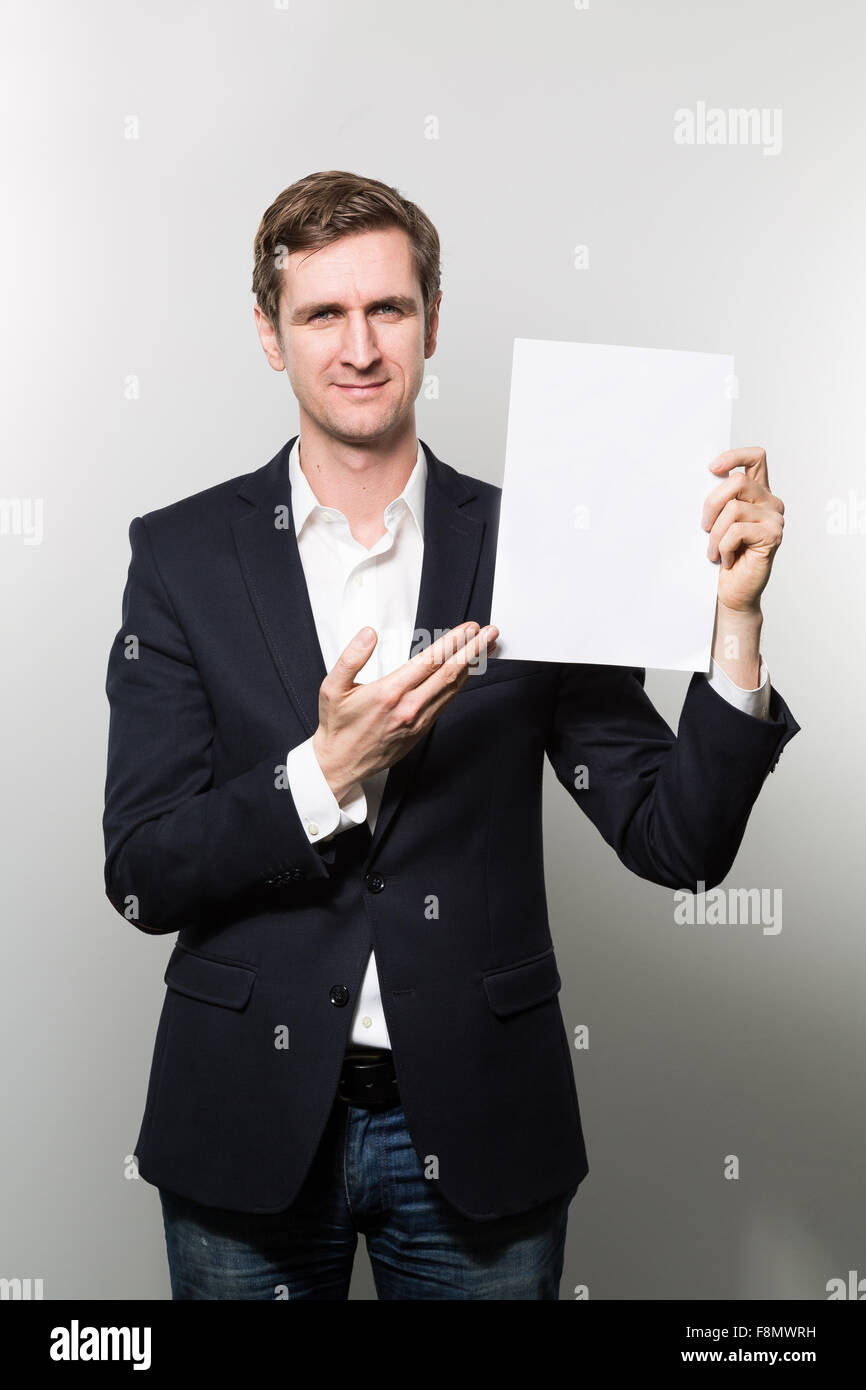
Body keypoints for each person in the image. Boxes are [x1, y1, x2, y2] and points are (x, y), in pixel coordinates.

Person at [102, 170, 800, 1300]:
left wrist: (733, 622)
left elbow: (678, 843)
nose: (360, 344)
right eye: (322, 313)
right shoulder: (179, 556)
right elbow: (139, 872)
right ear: (271, 336)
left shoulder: (533, 546)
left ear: (431, 320)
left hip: (480, 1123)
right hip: (245, 1115)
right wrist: (322, 773)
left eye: (389, 308)